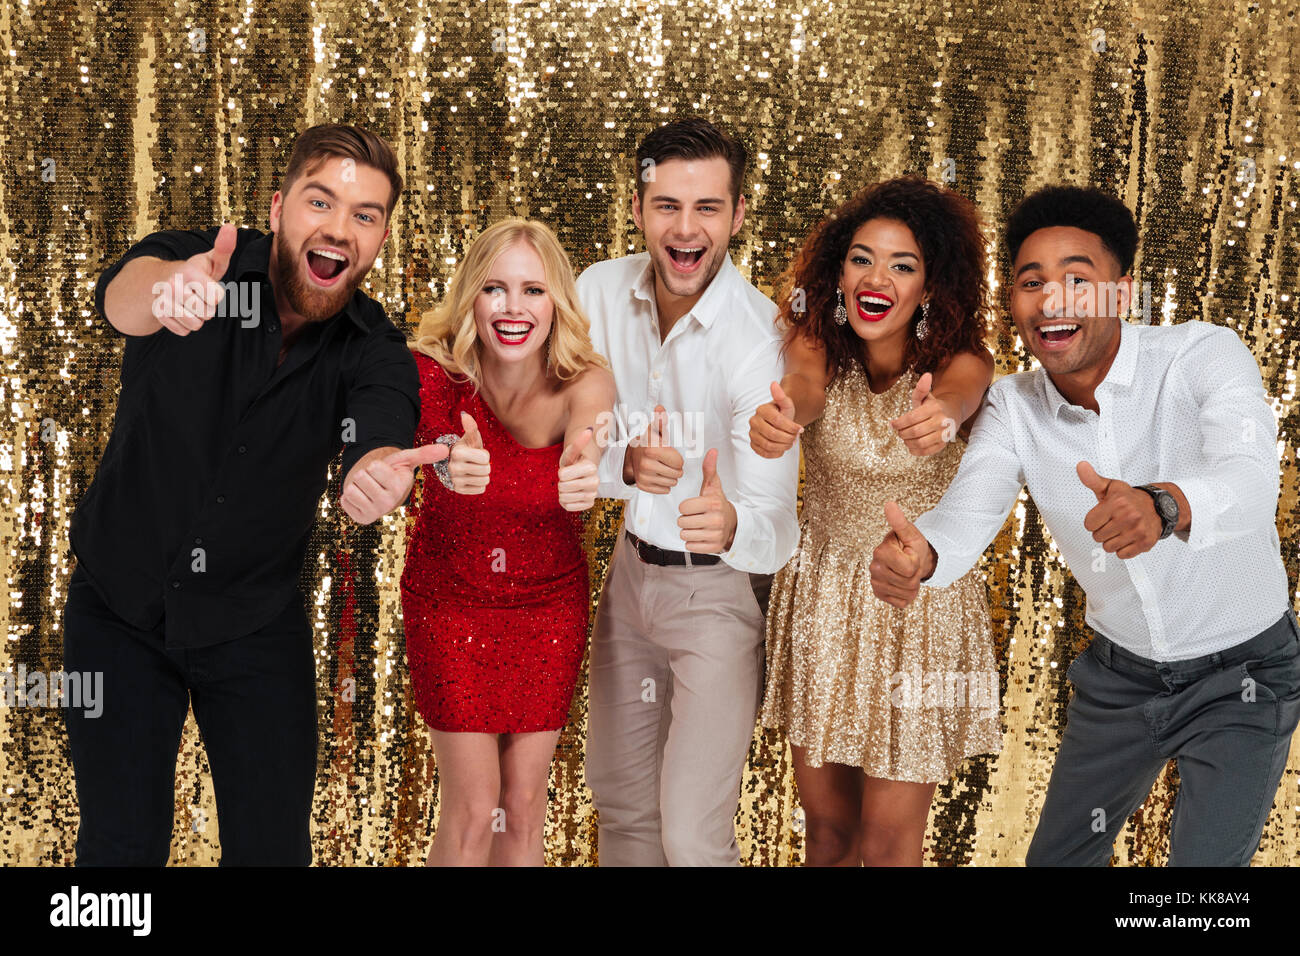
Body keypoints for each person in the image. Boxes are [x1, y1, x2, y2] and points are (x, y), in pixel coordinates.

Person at [869, 184, 1300, 866]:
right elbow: (971, 506)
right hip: (1120, 678)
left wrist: (1164, 505)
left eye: (1078, 278)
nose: (1051, 299)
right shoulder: (1014, 404)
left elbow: (1251, 480)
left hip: (1242, 673)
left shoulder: (1202, 357)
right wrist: (924, 554)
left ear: (1121, 294)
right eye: (1030, 281)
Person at [66, 124, 445, 866]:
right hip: (118, 607)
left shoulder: (375, 350)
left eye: (365, 215)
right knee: (118, 846)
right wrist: (166, 291)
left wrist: (378, 478)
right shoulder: (199, 264)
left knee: (272, 850)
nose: (339, 227)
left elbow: (380, 437)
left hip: (253, 625)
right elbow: (124, 297)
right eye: (320, 201)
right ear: (277, 208)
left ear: (382, 237)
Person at [749, 176, 1000, 866]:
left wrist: (942, 418)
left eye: (902, 264)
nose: (876, 276)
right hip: (824, 600)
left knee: (889, 844)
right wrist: (782, 419)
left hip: (918, 615)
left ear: (929, 286)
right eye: (862, 258)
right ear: (839, 273)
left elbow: (960, 392)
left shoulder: (962, 361)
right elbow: (800, 390)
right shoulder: (816, 344)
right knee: (827, 836)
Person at [575, 117, 800, 866]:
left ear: (737, 216)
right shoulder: (596, 293)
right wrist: (624, 470)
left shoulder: (760, 338)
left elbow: (779, 528)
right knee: (622, 809)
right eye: (667, 204)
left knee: (693, 835)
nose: (685, 227)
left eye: (707, 207)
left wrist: (733, 525)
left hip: (716, 598)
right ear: (637, 209)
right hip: (629, 579)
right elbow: (555, 449)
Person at [401, 218, 614, 866]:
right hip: (450, 603)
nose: (513, 308)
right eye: (495, 289)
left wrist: (584, 472)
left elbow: (590, 441)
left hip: (547, 608)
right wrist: (442, 460)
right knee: (473, 805)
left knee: (522, 806)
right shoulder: (432, 370)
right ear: (471, 297)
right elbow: (428, 445)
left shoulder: (586, 377)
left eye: (533, 290)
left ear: (557, 304)